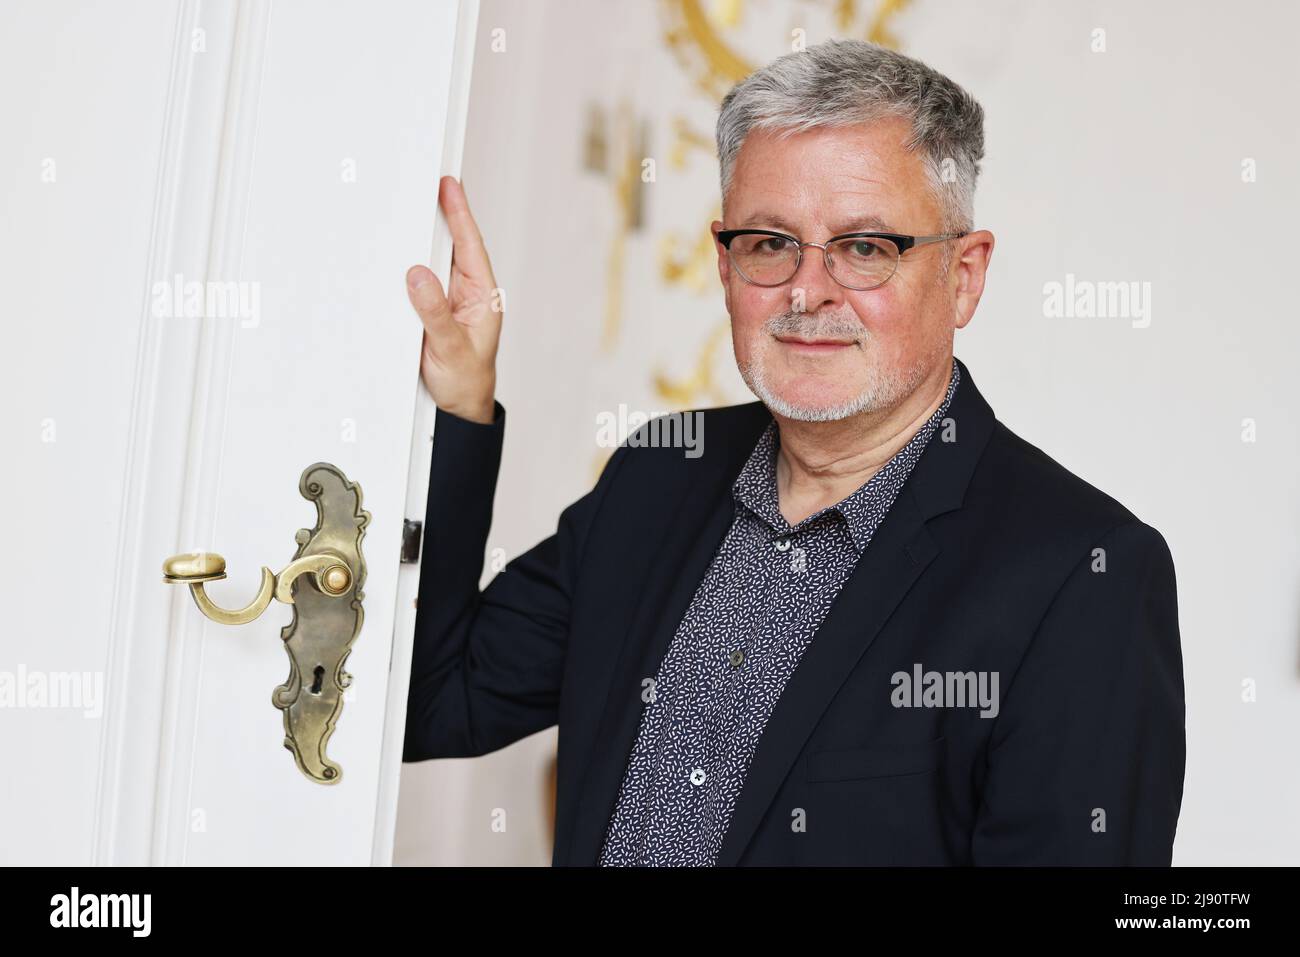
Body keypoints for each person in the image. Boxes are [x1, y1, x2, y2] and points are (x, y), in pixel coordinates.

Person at [401, 38, 1185, 866]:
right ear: (725, 264)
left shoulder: (1082, 575)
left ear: (963, 275)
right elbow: (429, 700)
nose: (808, 292)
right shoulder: (658, 472)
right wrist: (460, 405)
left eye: (866, 247)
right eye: (771, 243)